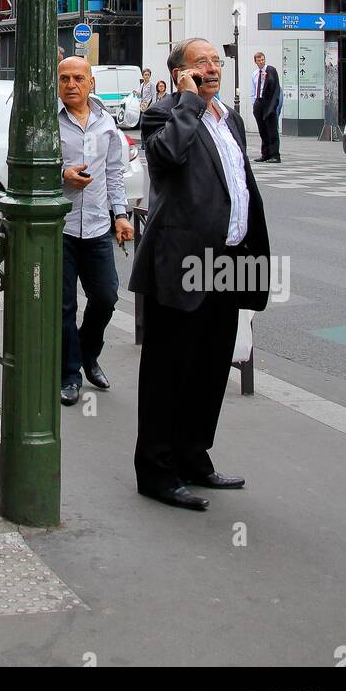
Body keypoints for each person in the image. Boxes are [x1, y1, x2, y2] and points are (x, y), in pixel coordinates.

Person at [130, 38, 270, 511]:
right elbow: (167, 160)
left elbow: (238, 182)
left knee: (211, 367)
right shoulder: (164, 114)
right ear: (179, 73)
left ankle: (194, 455)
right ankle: (156, 470)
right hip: (182, 261)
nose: (212, 68)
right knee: (169, 369)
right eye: (200, 63)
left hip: (228, 260)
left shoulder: (230, 117)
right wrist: (188, 102)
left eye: (216, 61)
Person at [58, 55, 134, 403]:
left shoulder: (107, 125)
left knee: (105, 298)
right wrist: (63, 175)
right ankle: (70, 373)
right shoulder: (49, 122)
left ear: (91, 83)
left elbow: (115, 174)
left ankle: (89, 355)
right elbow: (32, 167)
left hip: (99, 227)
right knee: (64, 307)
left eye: (77, 78)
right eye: (64, 79)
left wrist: (121, 215)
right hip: (61, 227)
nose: (70, 85)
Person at [251, 51, 281, 163]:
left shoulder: (270, 70)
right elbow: (253, 90)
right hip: (259, 102)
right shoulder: (255, 74)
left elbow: (274, 86)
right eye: (258, 60)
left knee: (272, 129)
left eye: (262, 60)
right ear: (255, 61)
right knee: (262, 130)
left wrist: (265, 79)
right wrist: (254, 103)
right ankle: (265, 154)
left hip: (269, 102)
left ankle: (275, 155)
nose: (261, 62)